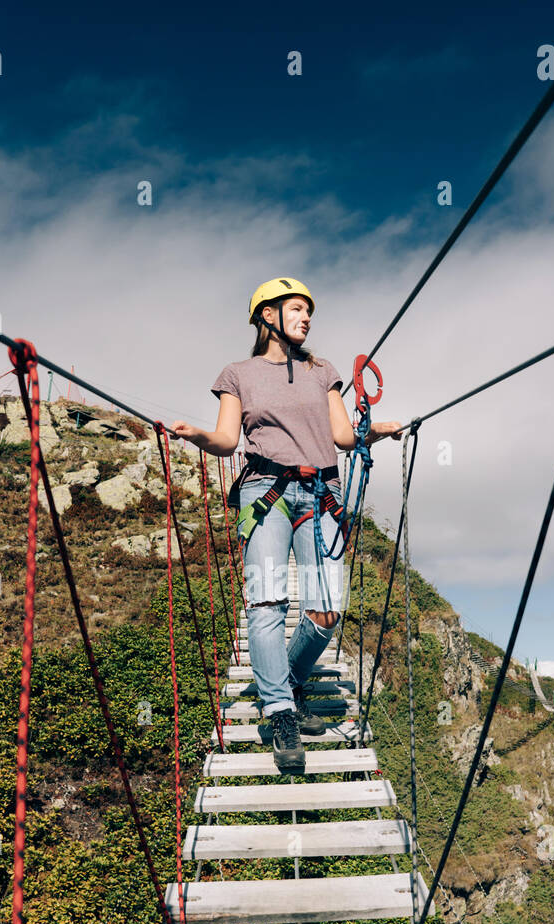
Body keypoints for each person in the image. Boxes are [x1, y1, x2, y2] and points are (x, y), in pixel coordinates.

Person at [171, 276, 402, 772]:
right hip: (265, 492)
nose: (307, 317)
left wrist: (373, 432)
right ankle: (279, 712)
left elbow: (342, 436)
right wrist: (198, 437)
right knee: (267, 599)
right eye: (296, 309)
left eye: (308, 311)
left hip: (322, 493)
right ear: (267, 316)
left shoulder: (324, 371)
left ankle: (288, 682)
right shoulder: (237, 373)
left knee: (325, 611)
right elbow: (229, 440)